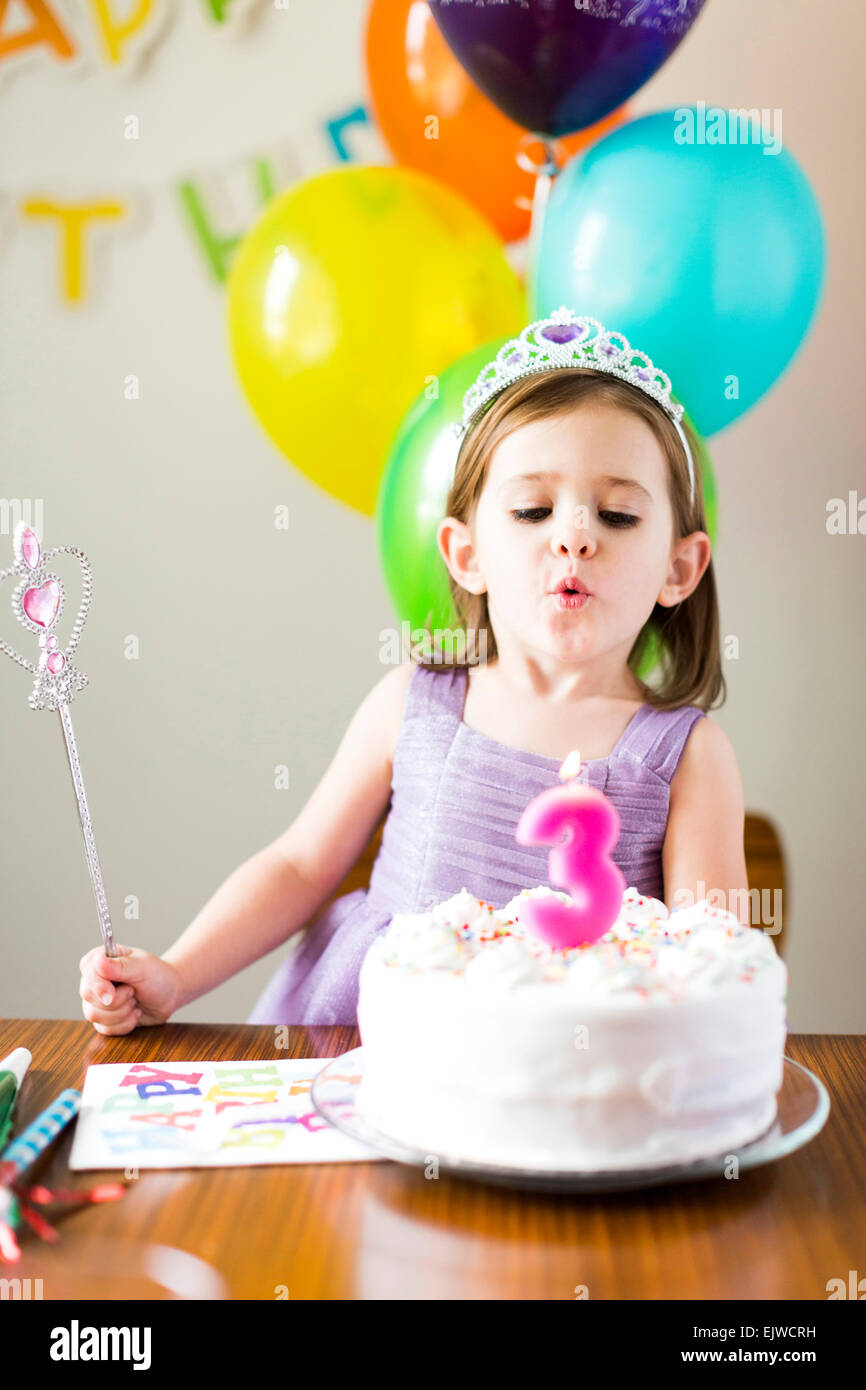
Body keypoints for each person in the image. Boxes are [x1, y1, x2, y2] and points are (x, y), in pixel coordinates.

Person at [79, 309, 748, 1034]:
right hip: (376, 1050)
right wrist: (176, 973)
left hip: (574, 1071)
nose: (575, 536)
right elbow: (301, 867)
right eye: (532, 509)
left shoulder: (688, 757)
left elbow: (708, 961)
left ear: (680, 568)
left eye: (617, 515)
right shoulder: (414, 703)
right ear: (466, 554)